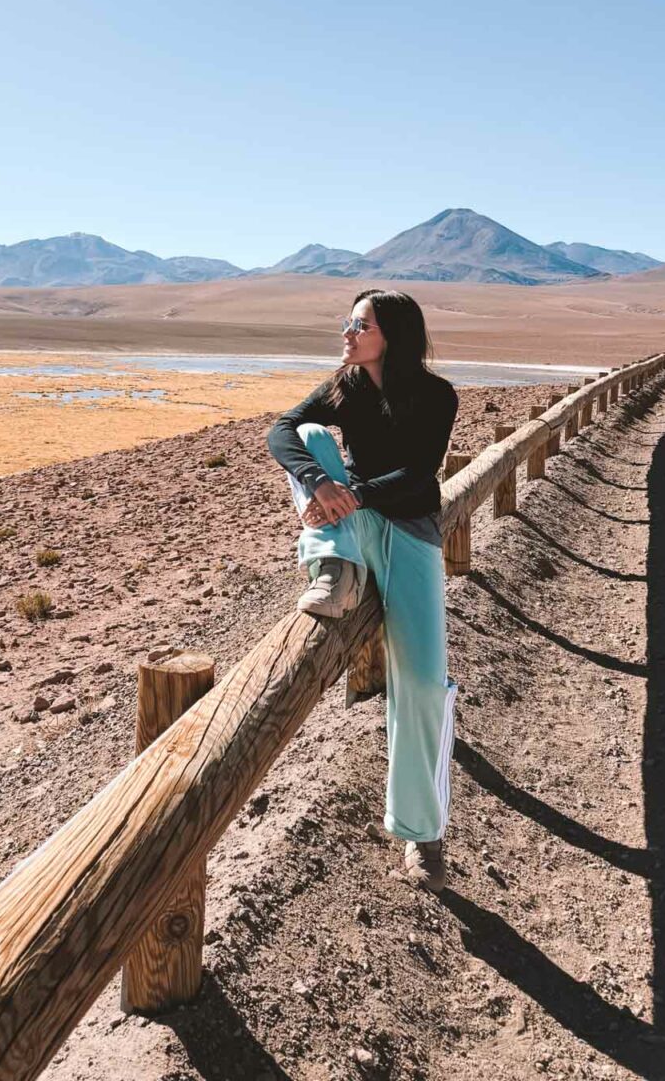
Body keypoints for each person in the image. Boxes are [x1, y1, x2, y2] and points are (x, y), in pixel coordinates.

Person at [266, 288, 459, 890]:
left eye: (359, 324)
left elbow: (419, 474)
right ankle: (335, 569)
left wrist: (348, 496)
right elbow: (280, 431)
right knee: (312, 442)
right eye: (348, 322)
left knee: (424, 682)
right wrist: (321, 482)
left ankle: (421, 832)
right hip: (355, 520)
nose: (346, 333)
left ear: (391, 336)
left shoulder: (436, 394)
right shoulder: (343, 388)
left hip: (409, 529)